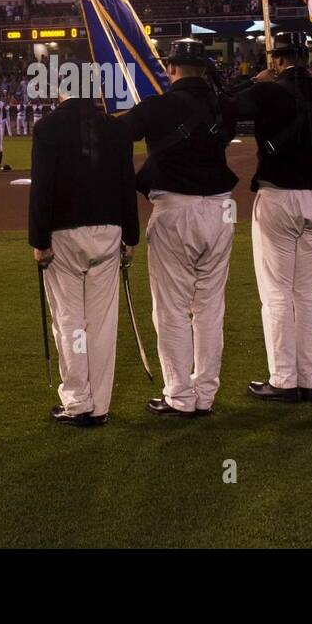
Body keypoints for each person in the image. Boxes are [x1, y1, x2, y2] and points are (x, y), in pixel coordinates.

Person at [123, 38, 237, 418]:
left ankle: (180, 395)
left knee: (171, 309)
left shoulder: (159, 106)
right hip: (222, 210)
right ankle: (205, 394)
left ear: (171, 70)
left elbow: (119, 134)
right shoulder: (223, 104)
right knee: (209, 307)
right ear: (203, 68)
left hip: (176, 210)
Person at [231, 32, 312, 403]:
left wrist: (255, 81)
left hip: (279, 196)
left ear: (277, 60)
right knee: (308, 294)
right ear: (307, 58)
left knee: (277, 293)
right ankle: (309, 379)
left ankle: (283, 378)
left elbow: (225, 106)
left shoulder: (268, 91)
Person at [29, 90, 139, 427]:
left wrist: (39, 239)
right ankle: (99, 405)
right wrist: (131, 236)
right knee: (102, 323)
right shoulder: (116, 129)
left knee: (70, 320)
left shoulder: (48, 127)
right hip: (108, 232)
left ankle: (77, 402)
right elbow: (126, 183)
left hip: (64, 235)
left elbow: (42, 186)